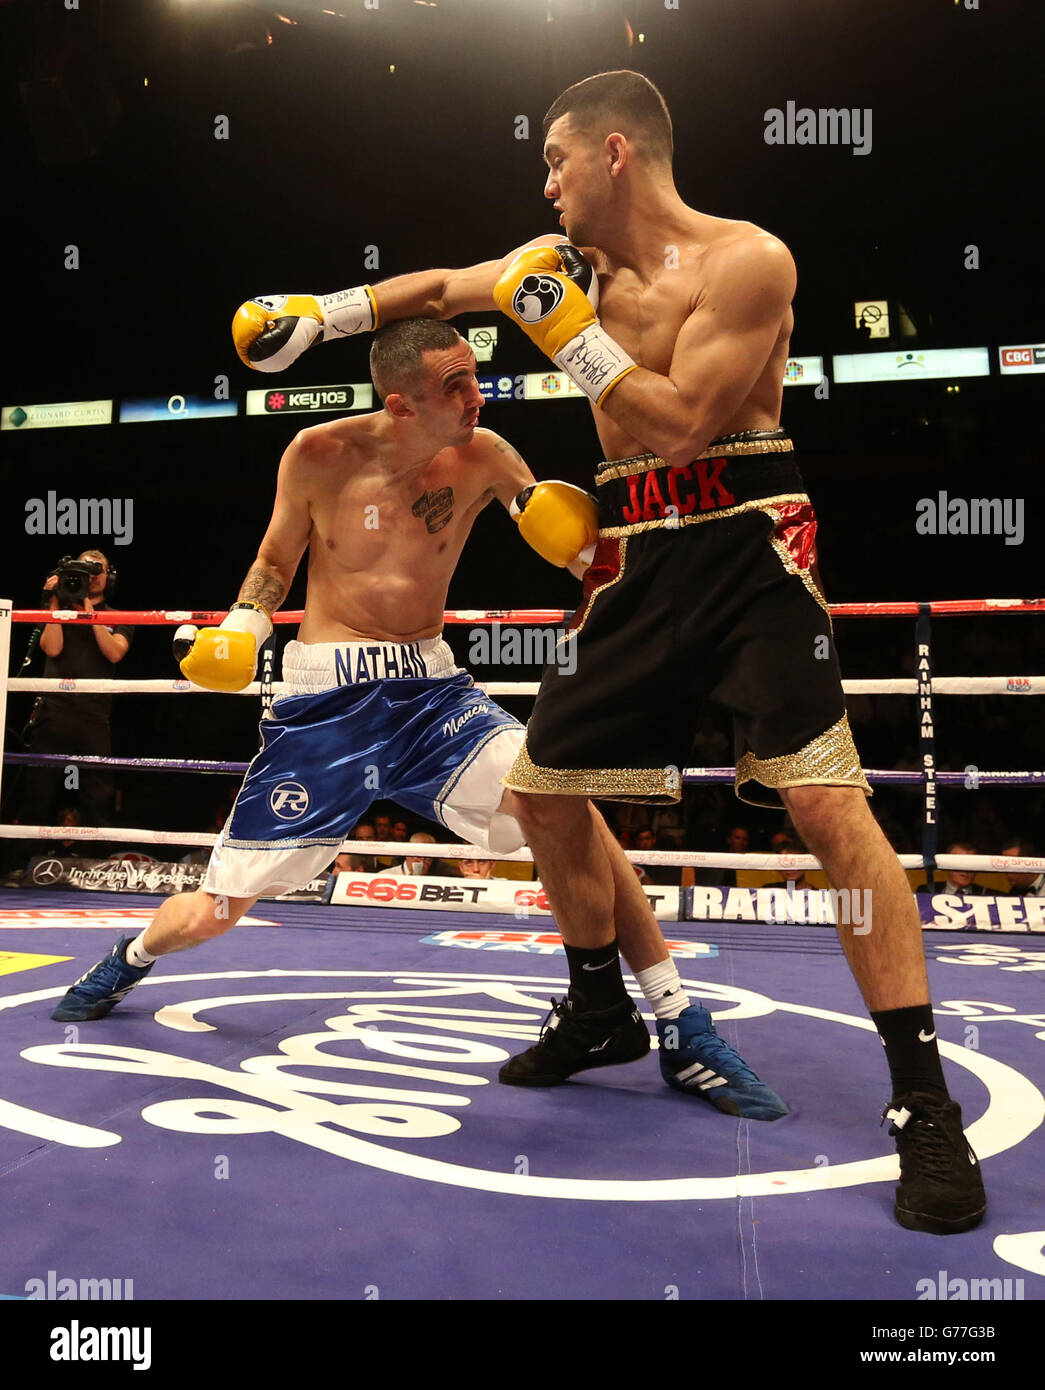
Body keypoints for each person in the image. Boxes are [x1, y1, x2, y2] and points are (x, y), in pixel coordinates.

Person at [226, 69, 985, 1230]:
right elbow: (438, 287)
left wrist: (565, 334)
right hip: (634, 553)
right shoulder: (561, 263)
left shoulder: (746, 261)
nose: (546, 185)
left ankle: (921, 1105)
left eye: (556, 162)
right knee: (542, 791)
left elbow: (679, 421)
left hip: (747, 540)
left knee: (827, 806)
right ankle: (598, 1007)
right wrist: (319, 314)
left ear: (614, 153)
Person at [50, 318, 588, 1029]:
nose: (477, 397)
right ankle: (132, 956)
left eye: (474, 378)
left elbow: (567, 539)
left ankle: (606, 1002)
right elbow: (275, 563)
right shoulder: (318, 453)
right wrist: (242, 629)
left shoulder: (484, 453)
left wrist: (615, 581)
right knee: (218, 910)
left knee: (555, 801)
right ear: (400, 404)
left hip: (432, 693)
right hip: (327, 702)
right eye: (455, 385)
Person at [12, 549, 132, 868]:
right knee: (38, 790)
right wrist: (53, 603)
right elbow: (52, 648)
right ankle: (21, 864)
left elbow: (115, 653)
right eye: (84, 571)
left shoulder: (117, 616)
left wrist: (90, 612)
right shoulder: (58, 611)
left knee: (98, 793)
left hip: (94, 715)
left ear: (109, 576)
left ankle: (99, 865)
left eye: (97, 570)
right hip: (54, 711)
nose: (91, 576)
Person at [916, 842, 986, 897]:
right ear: (947, 864)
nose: (965, 870)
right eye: (959, 863)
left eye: (970, 864)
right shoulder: (925, 891)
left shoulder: (988, 894)